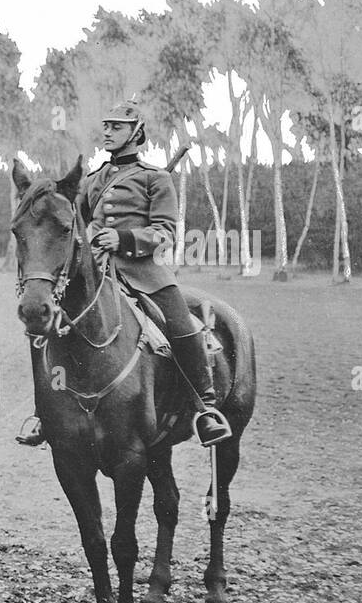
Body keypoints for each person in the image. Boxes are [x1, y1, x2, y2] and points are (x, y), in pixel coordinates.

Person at [15, 98, 233, 448]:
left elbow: (165, 233)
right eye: (106, 126)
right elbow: (75, 224)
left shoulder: (155, 179)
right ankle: (46, 412)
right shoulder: (93, 179)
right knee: (45, 330)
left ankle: (205, 408)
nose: (108, 132)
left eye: (117, 127)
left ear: (136, 133)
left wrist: (124, 237)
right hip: (95, 272)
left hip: (144, 273)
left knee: (182, 326)